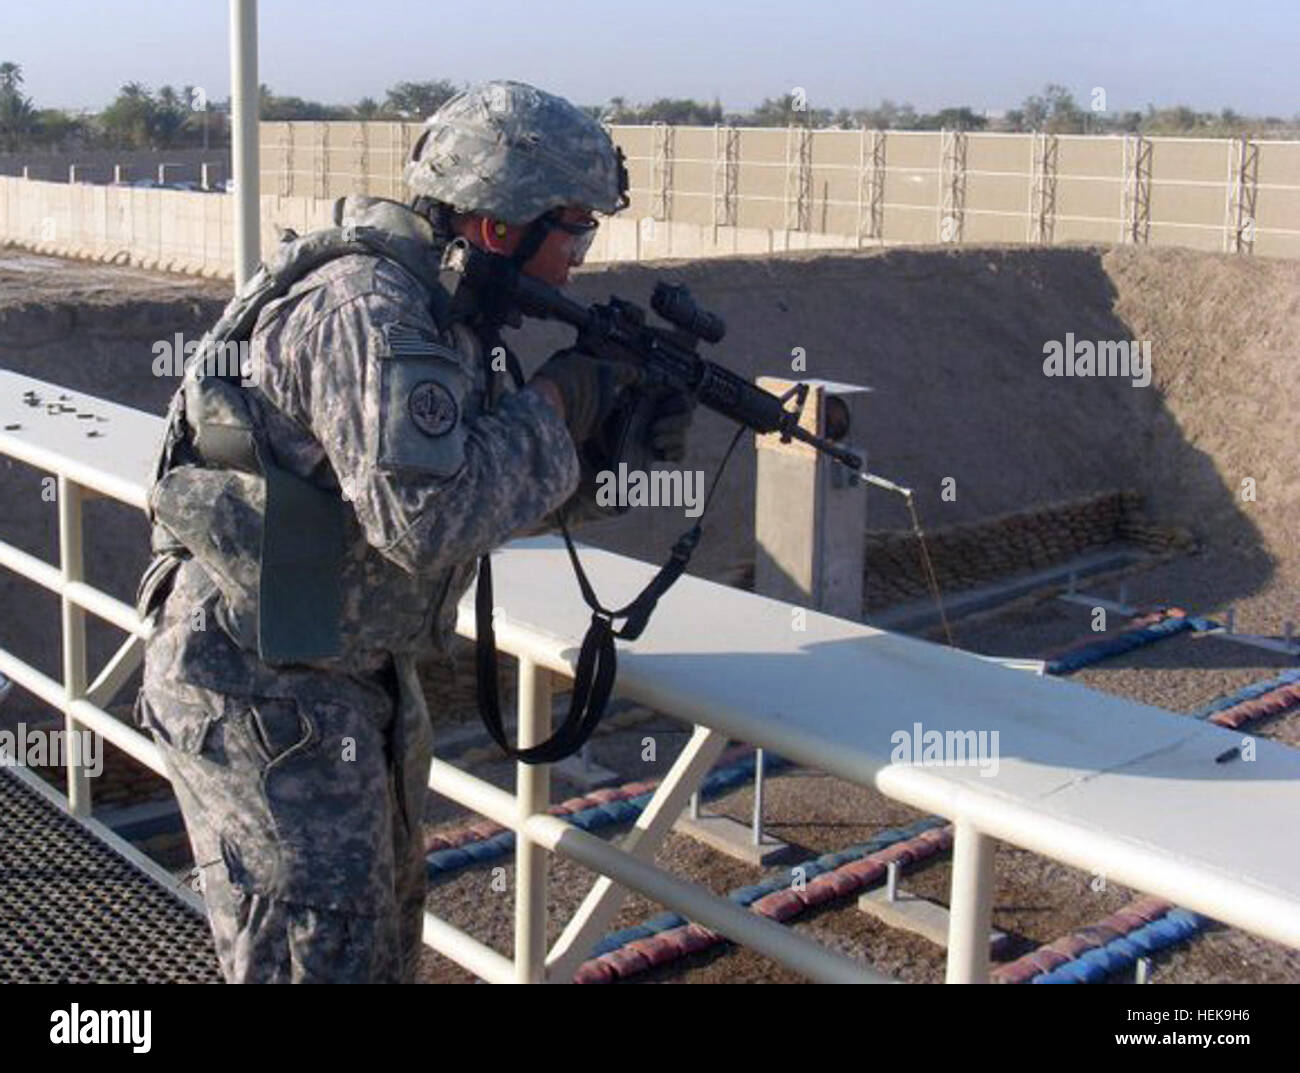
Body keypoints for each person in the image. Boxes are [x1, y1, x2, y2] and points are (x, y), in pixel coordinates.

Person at [134, 80, 693, 983]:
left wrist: (606, 467)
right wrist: (561, 399)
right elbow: (426, 523)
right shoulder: (374, 313)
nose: (581, 259)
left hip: (340, 672)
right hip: (263, 683)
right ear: (502, 226)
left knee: (378, 945)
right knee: (318, 954)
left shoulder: (443, 316)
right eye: (576, 229)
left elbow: (470, 485)